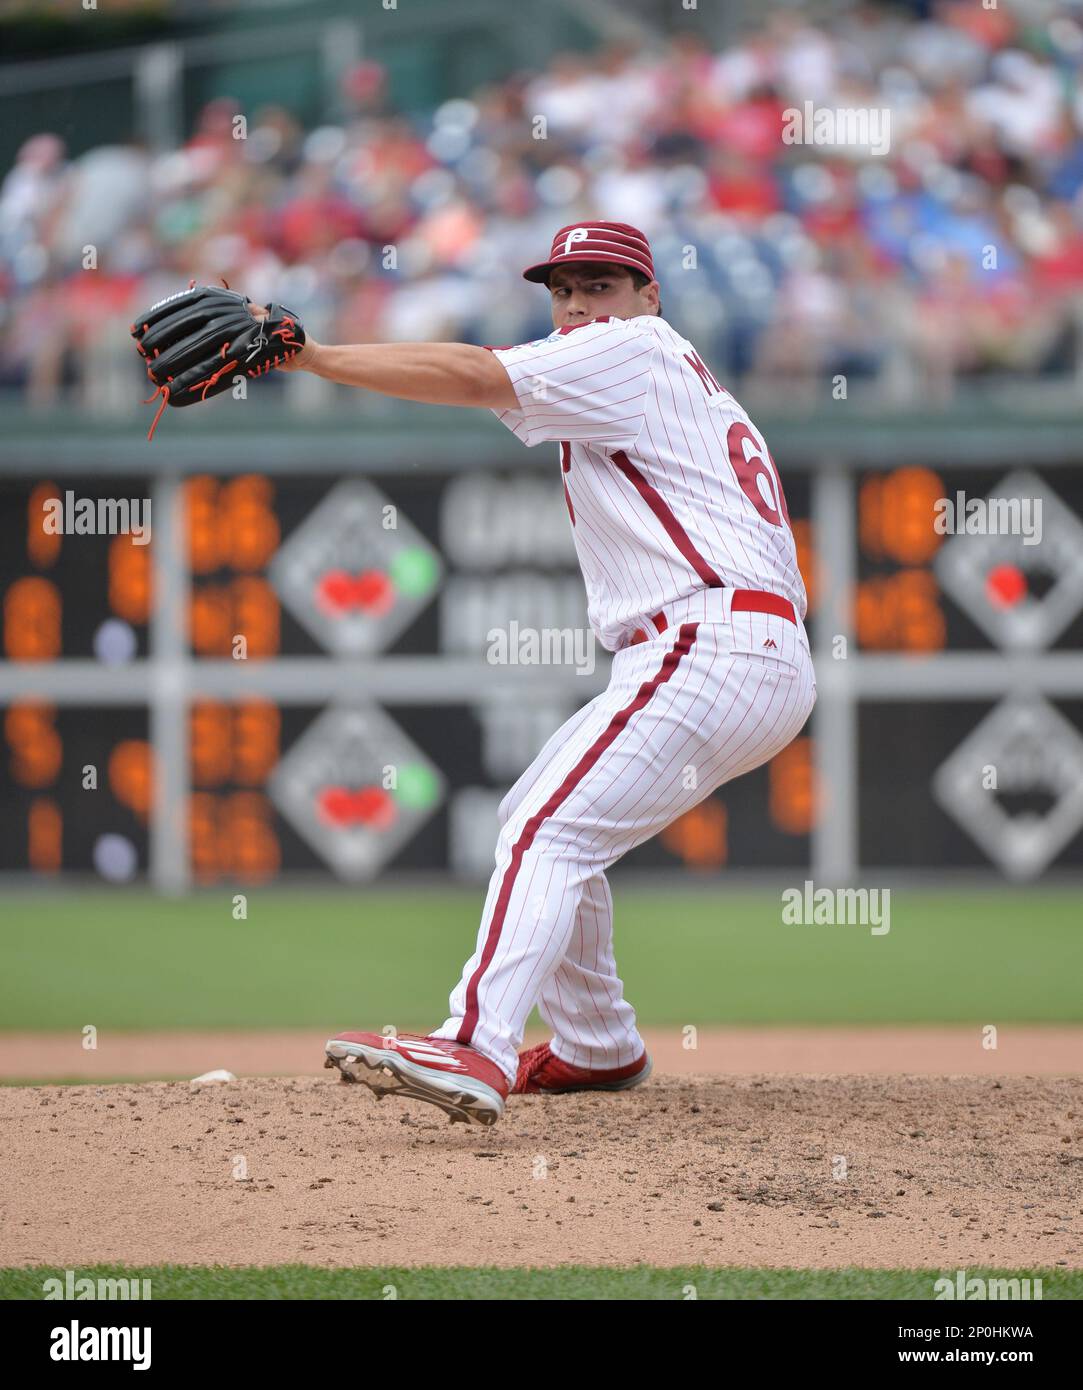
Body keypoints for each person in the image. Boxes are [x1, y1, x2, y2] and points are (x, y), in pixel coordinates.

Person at [289, 221, 816, 1125]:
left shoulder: (633, 350)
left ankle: (472, 1044)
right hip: (738, 647)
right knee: (544, 824)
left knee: (544, 828)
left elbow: (470, 375)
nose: (577, 306)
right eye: (562, 289)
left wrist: (309, 356)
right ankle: (596, 1047)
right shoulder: (662, 371)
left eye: (601, 285)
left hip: (710, 641)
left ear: (648, 298)